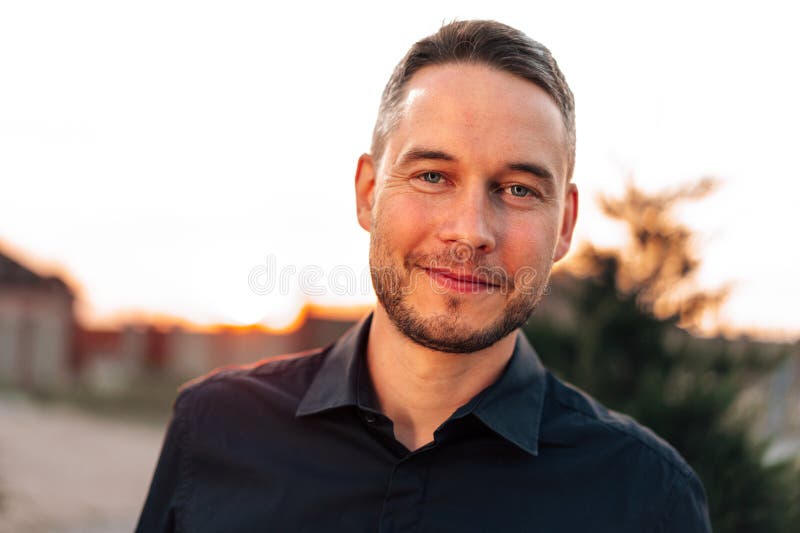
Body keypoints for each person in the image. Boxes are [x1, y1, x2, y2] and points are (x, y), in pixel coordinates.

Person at [136, 20, 711, 532]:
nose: (470, 231)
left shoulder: (646, 498)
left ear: (564, 225)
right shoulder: (213, 428)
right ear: (367, 194)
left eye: (518, 189)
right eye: (434, 176)